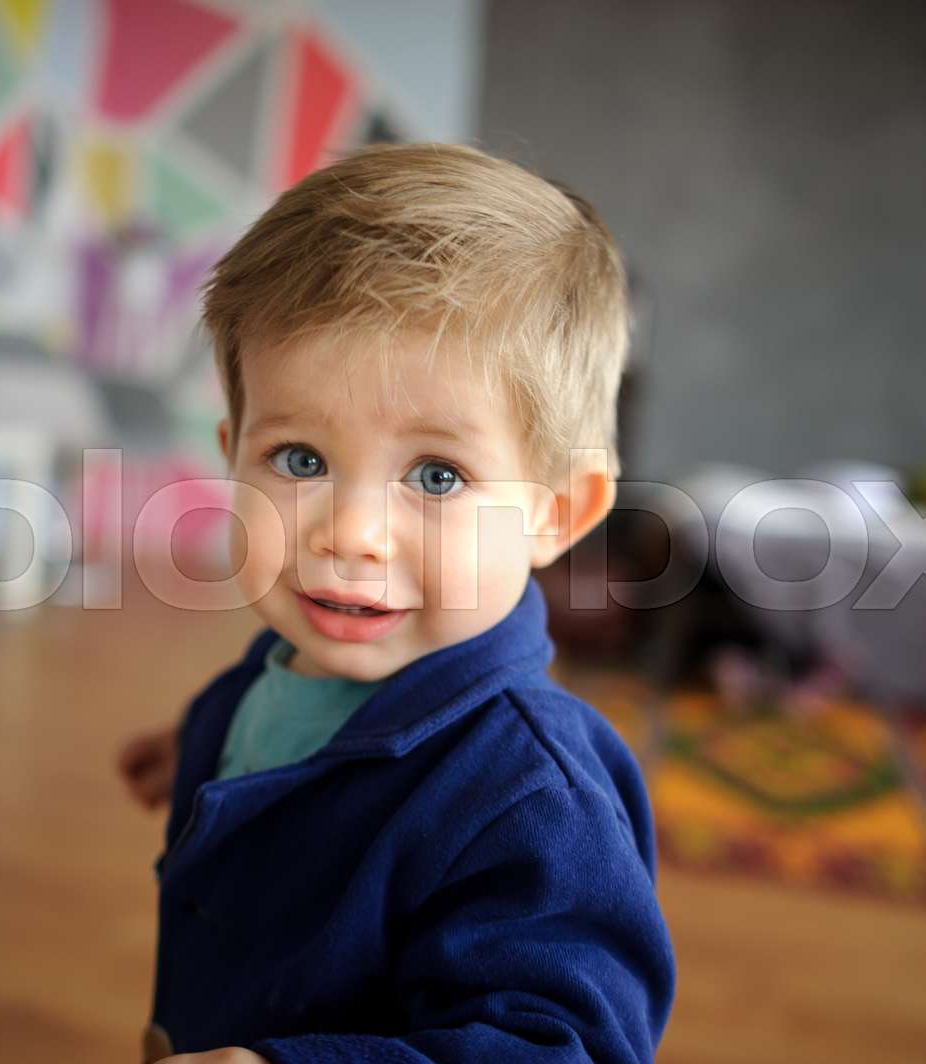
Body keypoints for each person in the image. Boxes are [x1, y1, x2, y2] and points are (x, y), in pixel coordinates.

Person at [117, 142, 675, 1064]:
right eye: (299, 459)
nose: (351, 533)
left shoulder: (533, 797)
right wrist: (204, 743)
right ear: (232, 454)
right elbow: (302, 729)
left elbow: (565, 1047)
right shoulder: (308, 653)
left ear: (557, 513)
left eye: (436, 474)